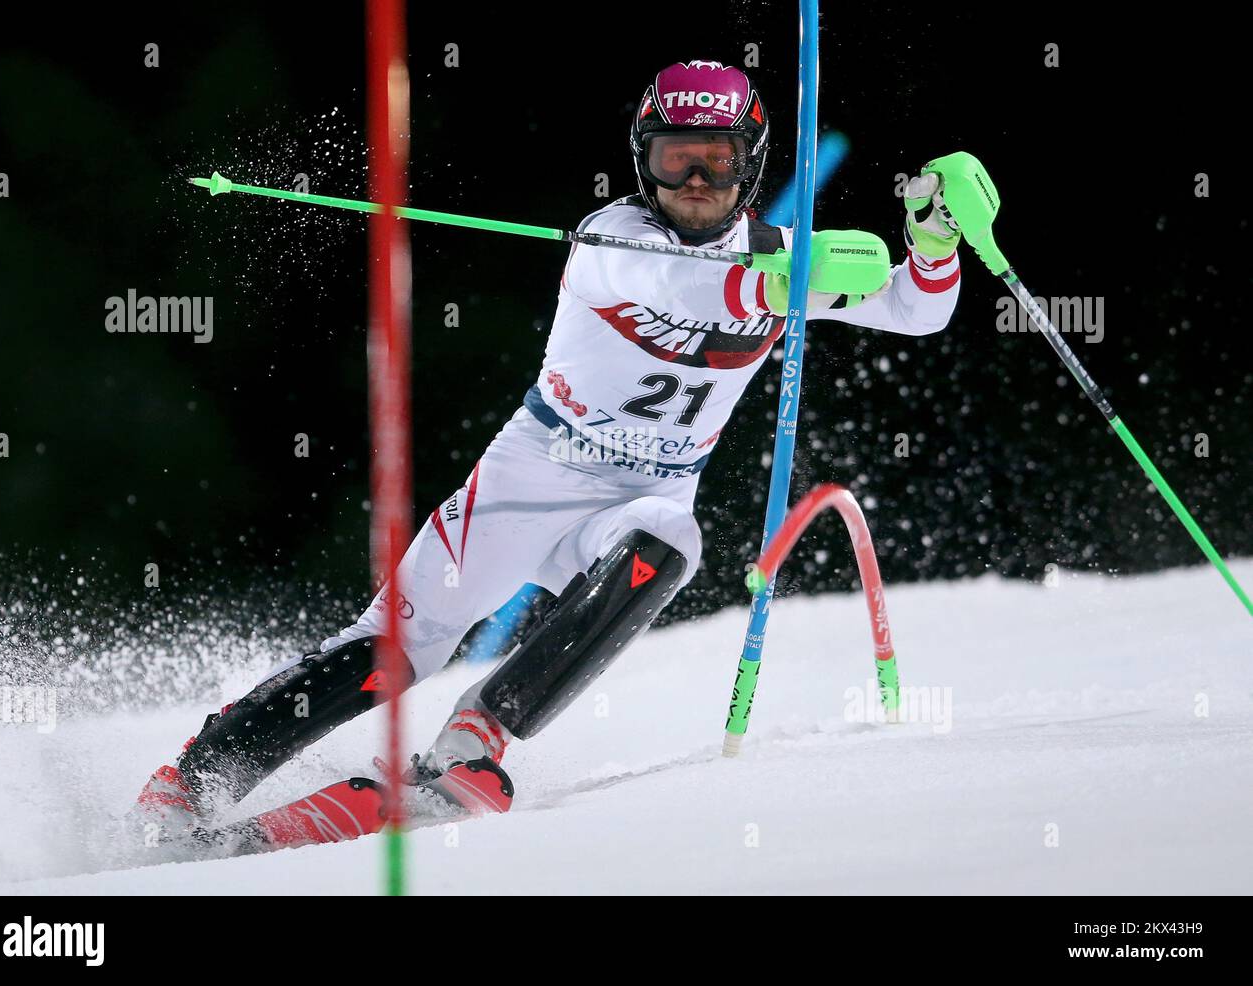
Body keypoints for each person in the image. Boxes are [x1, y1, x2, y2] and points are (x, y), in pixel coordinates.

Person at [136, 59, 963, 848]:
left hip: (644, 496)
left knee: (674, 539)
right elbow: (691, 288)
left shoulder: (783, 254)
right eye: (676, 163)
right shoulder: (615, 238)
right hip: (533, 476)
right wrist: (786, 279)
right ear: (645, 165)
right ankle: (191, 782)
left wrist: (933, 243)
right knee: (395, 648)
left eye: (717, 161)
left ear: (751, 165)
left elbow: (914, 311)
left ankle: (476, 737)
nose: (697, 184)